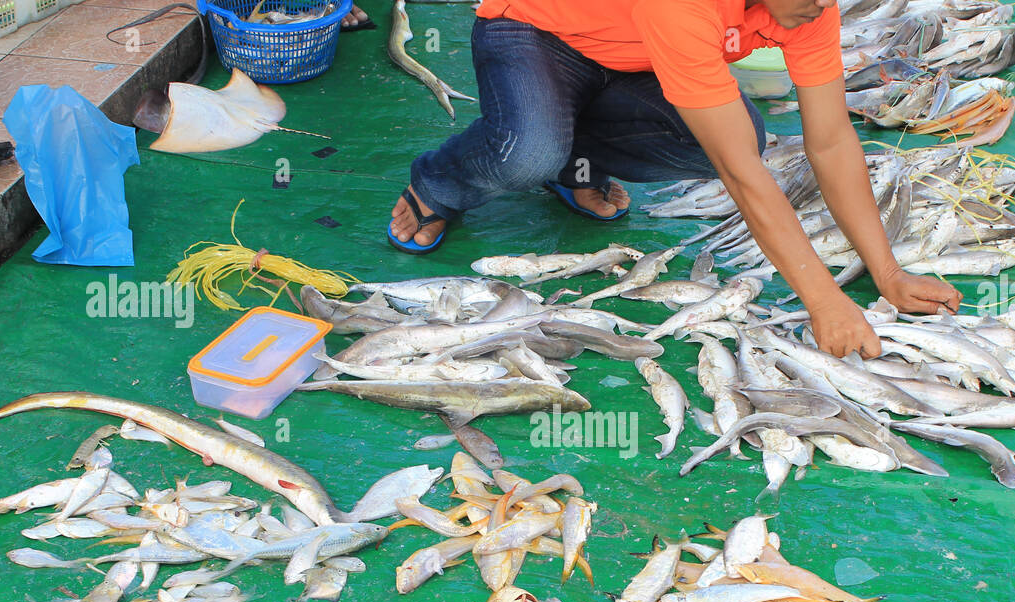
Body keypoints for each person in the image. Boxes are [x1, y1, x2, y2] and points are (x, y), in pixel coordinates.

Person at [387, 0, 963, 358]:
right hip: (538, 37)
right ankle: (439, 184)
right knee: (525, 153)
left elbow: (832, 140)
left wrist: (886, 272)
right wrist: (824, 300)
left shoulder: (811, 7)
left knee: (717, 141)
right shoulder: (684, 5)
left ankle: (571, 160)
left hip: (632, 62)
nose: (824, 4)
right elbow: (744, 178)